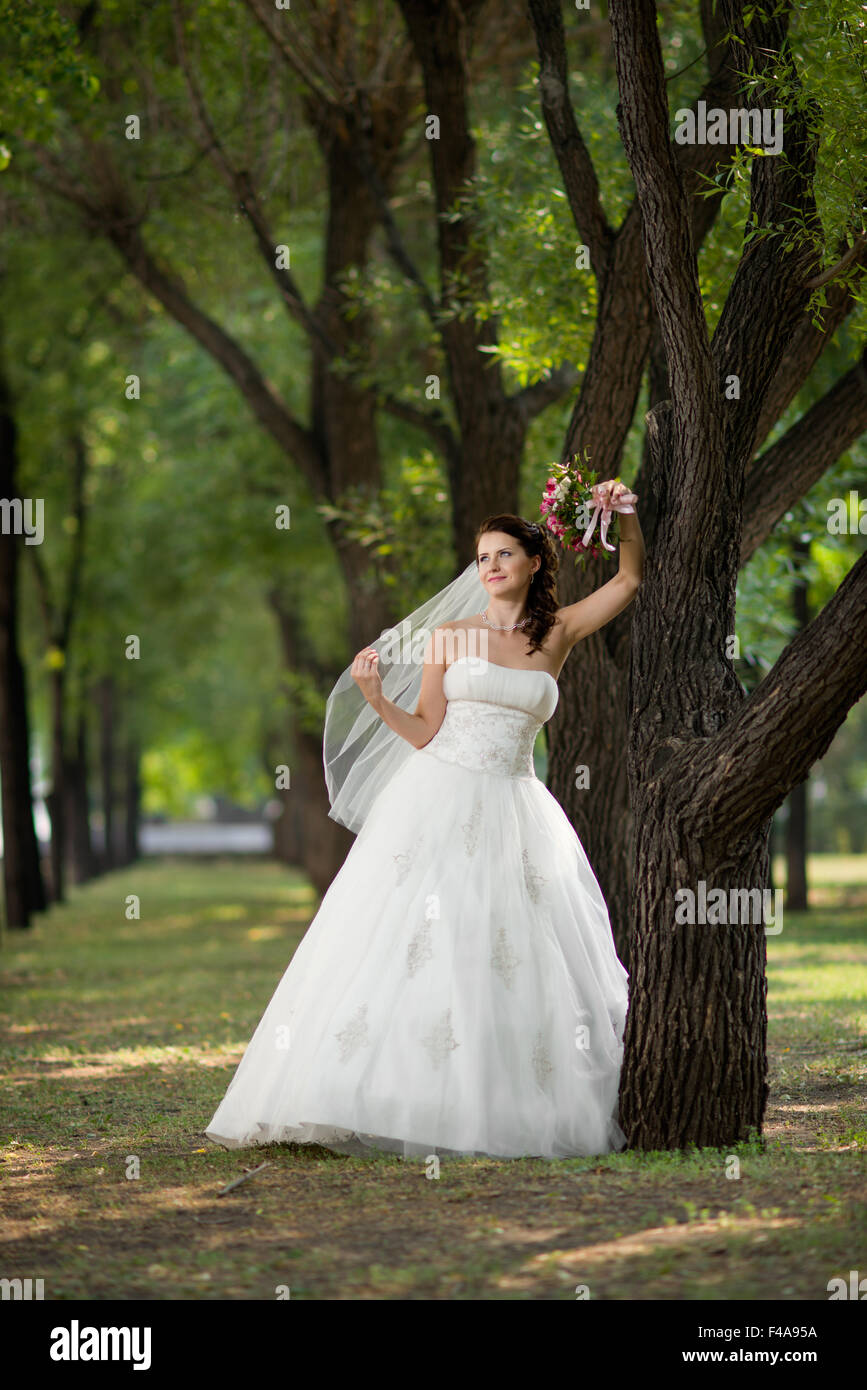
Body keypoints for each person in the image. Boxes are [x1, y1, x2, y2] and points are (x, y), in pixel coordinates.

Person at [205, 480, 644, 1159]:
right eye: (481, 558)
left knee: (507, 947)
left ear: (533, 562)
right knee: (411, 939)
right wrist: (377, 698)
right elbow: (426, 729)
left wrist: (623, 513)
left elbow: (629, 578)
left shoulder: (556, 632)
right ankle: (367, 1091)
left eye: (503, 554)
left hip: (516, 803)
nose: (490, 567)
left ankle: (495, 1102)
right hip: (436, 796)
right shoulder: (449, 636)